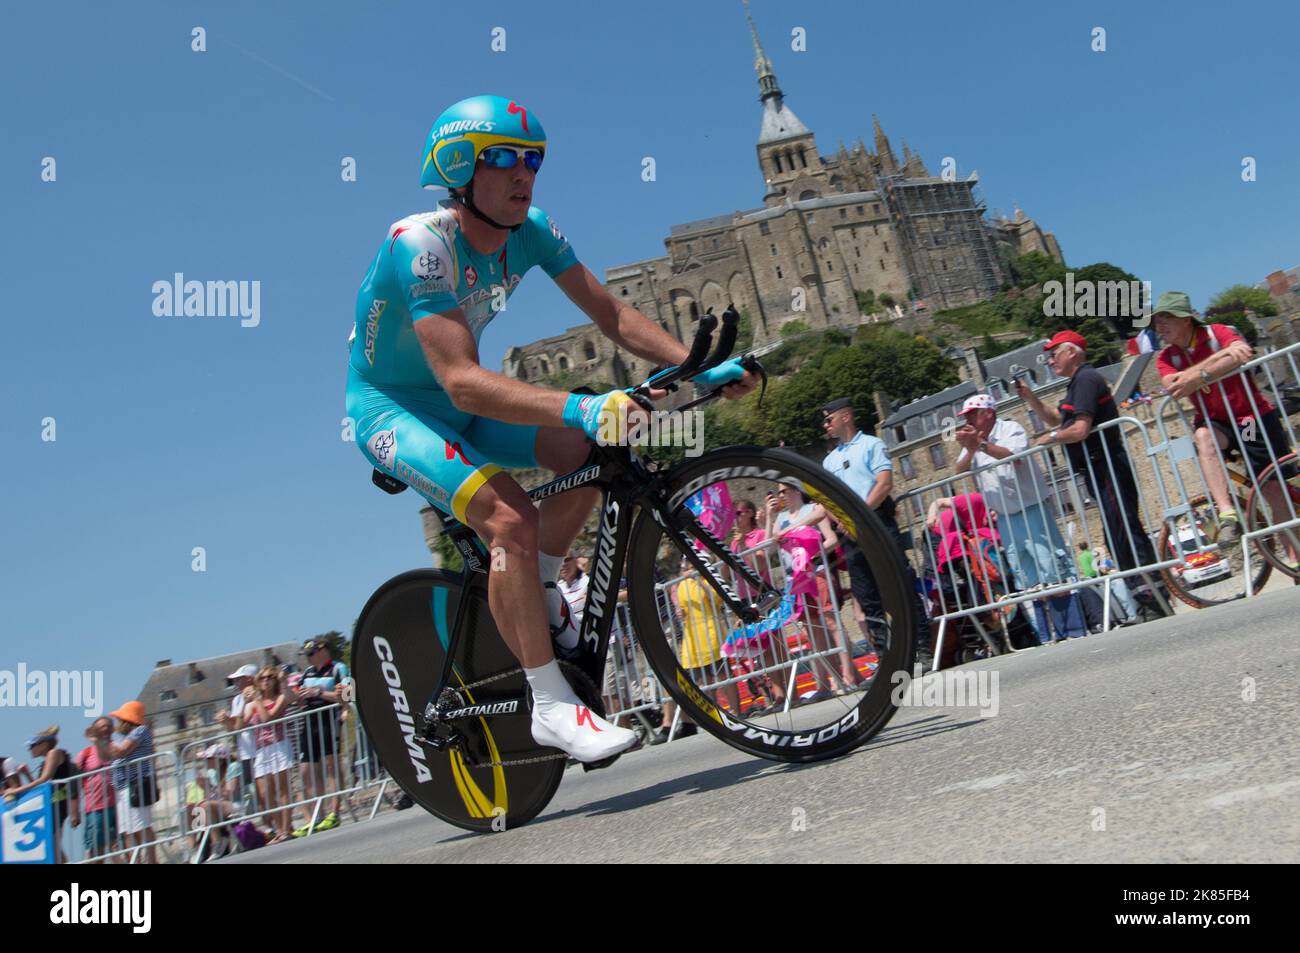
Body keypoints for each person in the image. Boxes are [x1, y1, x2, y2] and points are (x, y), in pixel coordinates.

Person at [344, 94, 757, 763]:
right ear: (458, 166)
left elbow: (610, 313)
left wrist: (698, 367)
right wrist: (585, 402)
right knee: (509, 515)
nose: (523, 174)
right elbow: (457, 378)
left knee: (597, 445)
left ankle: (535, 586)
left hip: (464, 402)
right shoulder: (419, 245)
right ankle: (552, 706)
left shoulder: (532, 229)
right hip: (395, 410)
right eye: (503, 158)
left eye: (533, 160)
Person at [1018, 331, 1173, 620]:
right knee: (1117, 534)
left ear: (1072, 353)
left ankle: (1153, 595)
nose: (1050, 360)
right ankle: (1144, 596)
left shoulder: (1087, 380)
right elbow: (1058, 418)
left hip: (1106, 463)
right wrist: (1031, 399)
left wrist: (1049, 439)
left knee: (1125, 531)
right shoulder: (1077, 384)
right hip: (1097, 466)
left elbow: (1079, 429)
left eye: (1054, 353)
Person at [1152, 290, 1300, 570]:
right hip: (1215, 421)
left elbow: (1241, 354)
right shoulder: (1167, 357)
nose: (1159, 326)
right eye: (1157, 320)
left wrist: (1195, 376)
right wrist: (1210, 367)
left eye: (1166, 318)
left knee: (1271, 489)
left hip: (1247, 418)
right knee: (1203, 437)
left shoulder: (1217, 332)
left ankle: (1295, 560)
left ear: (1185, 320)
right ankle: (1228, 513)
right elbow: (1173, 385)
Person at [951, 392, 1078, 643]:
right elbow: (958, 469)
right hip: (1006, 517)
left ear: (988, 413)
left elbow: (1013, 456)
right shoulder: (976, 441)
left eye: (972, 414)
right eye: (966, 416)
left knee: (1051, 567)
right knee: (1025, 576)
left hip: (1030, 507)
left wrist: (981, 445)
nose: (968, 420)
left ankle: (1072, 629)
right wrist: (970, 448)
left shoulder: (1010, 428)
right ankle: (1045, 634)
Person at [820, 397, 934, 667]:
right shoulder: (829, 461)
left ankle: (923, 649)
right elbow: (827, 500)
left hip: (878, 524)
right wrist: (844, 520)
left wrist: (859, 515)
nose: (825, 425)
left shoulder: (872, 444)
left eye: (829, 419)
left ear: (845, 416)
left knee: (900, 584)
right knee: (866, 595)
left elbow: (884, 484)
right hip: (851, 533)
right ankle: (885, 658)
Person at [766, 486, 862, 697]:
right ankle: (829, 682)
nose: (781, 495)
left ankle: (849, 677)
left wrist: (811, 556)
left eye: (784, 490)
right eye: (779, 492)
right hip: (795, 579)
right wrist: (769, 517)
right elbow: (769, 550)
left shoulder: (813, 509)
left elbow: (831, 539)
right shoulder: (780, 518)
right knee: (812, 630)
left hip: (816, 570)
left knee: (831, 622)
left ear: (796, 490)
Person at [652, 558, 742, 743]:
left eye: (692, 566)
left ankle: (735, 712)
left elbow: (716, 600)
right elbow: (681, 609)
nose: (689, 570)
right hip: (693, 637)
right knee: (701, 681)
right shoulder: (680, 585)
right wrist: (679, 612)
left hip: (712, 631)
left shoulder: (708, 579)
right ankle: (713, 717)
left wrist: (700, 580)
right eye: (687, 567)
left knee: (724, 675)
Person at [292, 639, 351, 837]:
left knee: (330, 765)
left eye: (312, 653)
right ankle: (316, 815)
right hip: (309, 722)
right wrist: (298, 696)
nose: (309, 658)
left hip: (329, 719)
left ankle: (334, 812)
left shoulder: (339, 668)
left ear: (323, 650)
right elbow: (297, 699)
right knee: (307, 769)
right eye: (307, 655)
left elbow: (349, 695)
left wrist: (319, 692)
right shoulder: (307, 673)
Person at [238, 667, 296, 844]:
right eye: (262, 678)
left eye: (270, 677)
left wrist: (256, 701)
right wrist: (242, 705)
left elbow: (267, 718)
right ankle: (279, 829)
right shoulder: (254, 703)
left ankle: (286, 829)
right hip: (261, 749)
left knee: (283, 789)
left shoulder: (281, 697)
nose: (266, 680)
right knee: (264, 793)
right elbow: (239, 726)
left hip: (279, 744)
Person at [7, 726, 78, 864]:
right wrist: (26, 774)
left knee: (53, 843)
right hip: (51, 802)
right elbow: (41, 788)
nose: (30, 750)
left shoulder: (54, 753)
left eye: (32, 746)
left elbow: (45, 779)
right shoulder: (46, 760)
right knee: (51, 843)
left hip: (58, 803)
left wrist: (15, 790)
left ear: (44, 744)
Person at [99, 701, 158, 864]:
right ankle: (137, 861)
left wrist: (105, 739)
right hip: (125, 787)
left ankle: (152, 861)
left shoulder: (140, 731)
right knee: (129, 830)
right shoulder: (133, 734)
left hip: (136, 785)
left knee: (142, 826)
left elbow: (120, 752)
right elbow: (110, 755)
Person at [74, 718, 120, 863]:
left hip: (119, 804)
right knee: (96, 847)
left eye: (108, 726)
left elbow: (109, 754)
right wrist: (74, 810)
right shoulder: (85, 754)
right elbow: (73, 783)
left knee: (119, 846)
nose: (105, 729)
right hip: (95, 808)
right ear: (94, 731)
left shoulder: (118, 748)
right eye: (101, 727)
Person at [217, 664, 259, 796]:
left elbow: (241, 724)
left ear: (248, 678)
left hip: (260, 749)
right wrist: (225, 720)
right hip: (246, 752)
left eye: (238, 679)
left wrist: (237, 719)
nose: (235, 682)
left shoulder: (259, 694)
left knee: (265, 790)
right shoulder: (237, 699)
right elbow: (235, 728)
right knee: (255, 792)